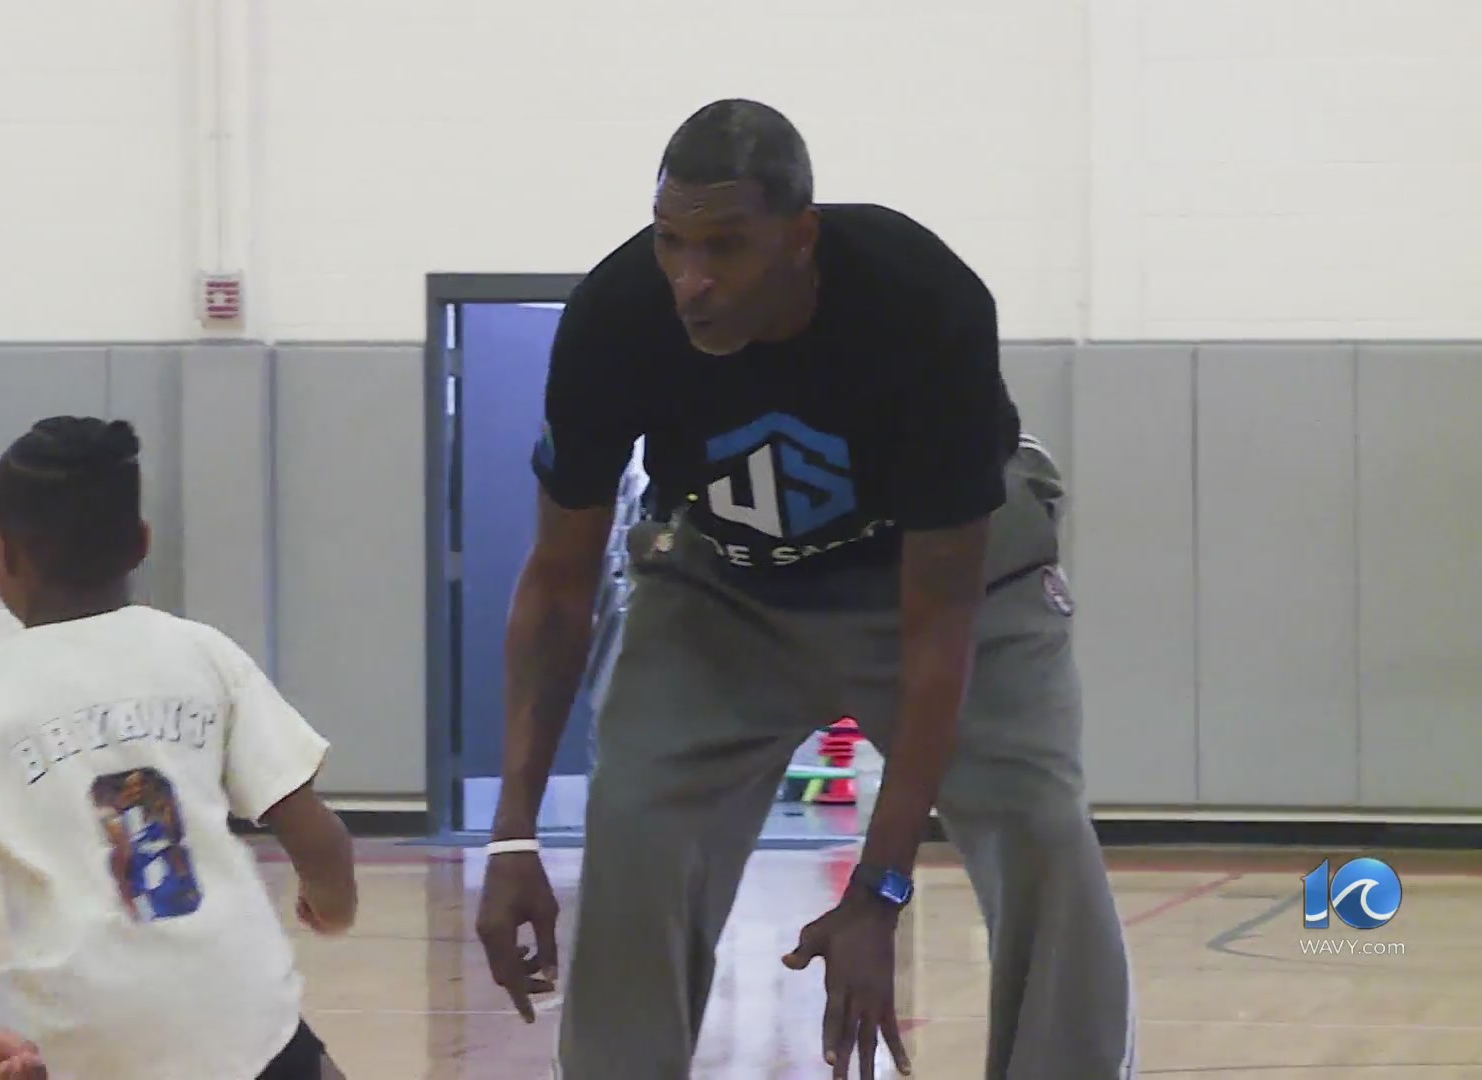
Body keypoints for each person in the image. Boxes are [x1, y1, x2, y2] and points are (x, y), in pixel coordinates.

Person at [474, 99, 1135, 1080]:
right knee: (635, 833)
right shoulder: (616, 318)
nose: (691, 282)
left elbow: (939, 622)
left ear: (800, 238)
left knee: (1042, 832)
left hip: (935, 584)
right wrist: (512, 836)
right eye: (670, 243)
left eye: (725, 248)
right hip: (725, 588)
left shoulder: (923, 303)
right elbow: (560, 581)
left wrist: (881, 886)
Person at [0, 415, 357, 1080]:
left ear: (2, 554)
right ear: (141, 544)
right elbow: (320, 839)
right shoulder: (203, 654)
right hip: (237, 1019)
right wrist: (332, 904)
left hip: (66, 1034)